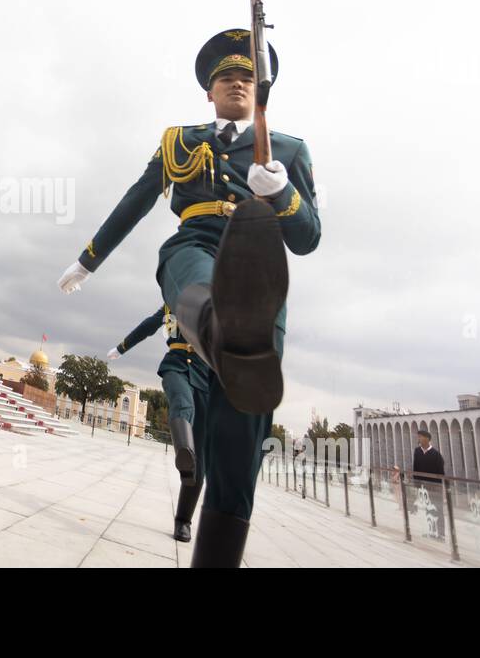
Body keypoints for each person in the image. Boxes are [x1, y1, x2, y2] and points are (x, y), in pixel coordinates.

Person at [57, 29, 320, 566]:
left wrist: (283, 194)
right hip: (195, 244)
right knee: (196, 282)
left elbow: (309, 236)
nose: (238, 84)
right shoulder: (180, 138)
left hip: (260, 262)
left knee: (239, 447)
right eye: (228, 77)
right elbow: (137, 198)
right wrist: (89, 257)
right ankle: (223, 331)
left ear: (260, 90)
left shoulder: (289, 150)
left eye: (248, 77)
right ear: (209, 90)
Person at [108, 305, 210, 542]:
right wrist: (122, 347)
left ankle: (183, 520)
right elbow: (149, 326)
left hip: (206, 376)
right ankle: (184, 452)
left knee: (201, 460)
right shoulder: (174, 299)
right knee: (183, 404)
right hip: (176, 366)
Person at [411, 430, 446, 540]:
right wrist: (417, 485)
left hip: (435, 488)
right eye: (418, 437)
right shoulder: (417, 451)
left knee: (438, 510)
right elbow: (415, 468)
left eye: (420, 437)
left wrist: (438, 488)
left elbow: (441, 474)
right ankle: (431, 531)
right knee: (428, 510)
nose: (419, 439)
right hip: (423, 488)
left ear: (427, 439)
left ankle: (440, 534)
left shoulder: (436, 455)